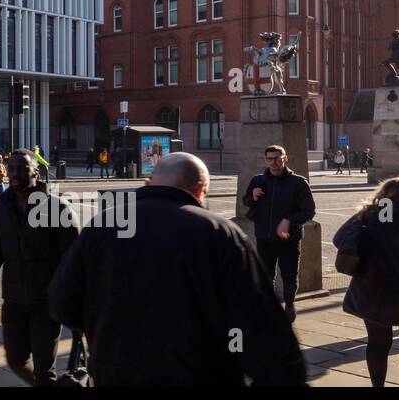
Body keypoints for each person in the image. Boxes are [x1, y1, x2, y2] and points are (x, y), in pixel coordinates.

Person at [49, 152, 306, 386]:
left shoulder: (103, 225)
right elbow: (259, 323)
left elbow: (62, 303)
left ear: (149, 184)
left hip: (116, 372)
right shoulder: (218, 233)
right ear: (201, 189)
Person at [0, 151, 79, 387]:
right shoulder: (0, 209)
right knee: (16, 359)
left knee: (44, 368)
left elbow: (73, 261)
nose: (15, 174)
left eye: (22, 168)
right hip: (14, 300)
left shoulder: (57, 208)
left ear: (36, 172)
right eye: (12, 168)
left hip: (46, 303)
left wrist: (74, 302)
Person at [333, 177, 399, 387]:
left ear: (382, 196)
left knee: (378, 342)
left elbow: (338, 239)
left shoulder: (368, 216)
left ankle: (377, 386)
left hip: (373, 290)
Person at [242, 144, 316, 322]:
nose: (273, 162)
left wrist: (289, 220)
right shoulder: (258, 180)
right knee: (266, 274)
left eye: (277, 158)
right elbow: (246, 201)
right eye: (269, 158)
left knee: (289, 274)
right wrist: (252, 196)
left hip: (288, 238)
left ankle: (290, 304)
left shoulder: (298, 182)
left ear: (285, 158)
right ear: (265, 160)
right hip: (264, 236)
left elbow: (309, 211)